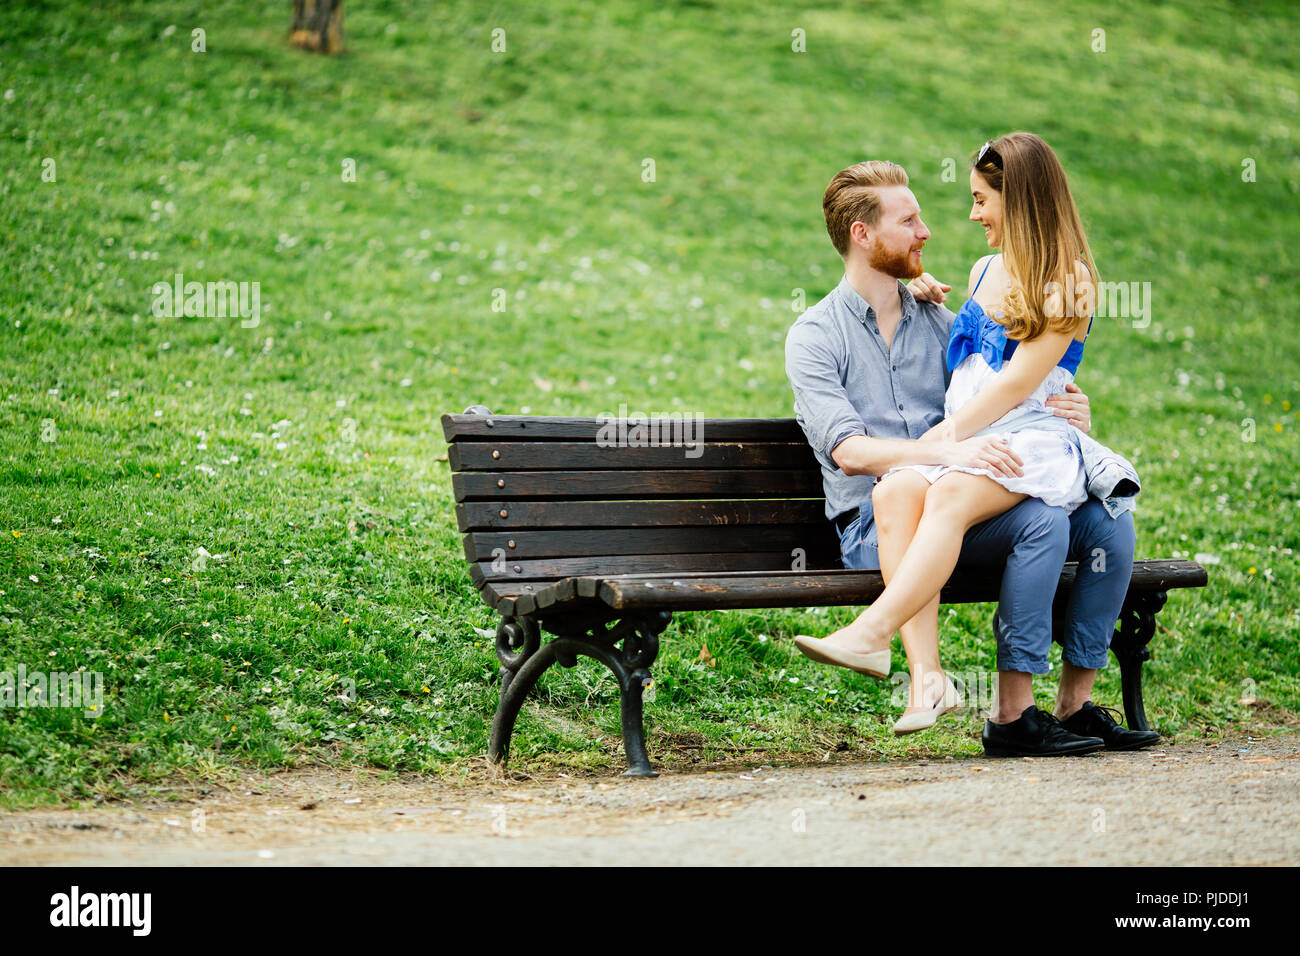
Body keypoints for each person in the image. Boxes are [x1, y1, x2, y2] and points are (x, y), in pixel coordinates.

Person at [784, 148, 1158, 756]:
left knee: (1110, 523)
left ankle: (1064, 706)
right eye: (909, 223)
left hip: (952, 487)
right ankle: (951, 685)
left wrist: (1065, 403)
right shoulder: (816, 335)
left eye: (975, 200)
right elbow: (850, 453)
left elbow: (1006, 374)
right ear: (863, 233)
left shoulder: (936, 315)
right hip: (883, 516)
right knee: (916, 488)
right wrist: (943, 447)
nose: (930, 230)